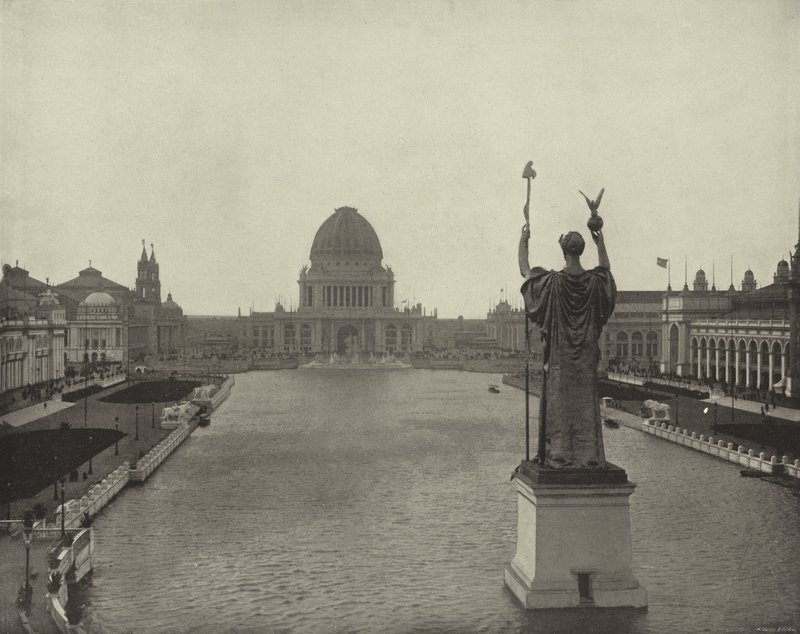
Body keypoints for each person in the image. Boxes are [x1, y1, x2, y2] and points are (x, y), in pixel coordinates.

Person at [519, 222, 616, 469]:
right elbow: (606, 270)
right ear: (581, 250)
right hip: (585, 359)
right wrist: (600, 240)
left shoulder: (552, 283)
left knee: (559, 405)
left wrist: (523, 240)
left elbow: (526, 271)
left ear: (564, 252)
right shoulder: (595, 282)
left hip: (560, 359)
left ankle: (558, 455)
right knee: (584, 403)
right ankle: (588, 455)